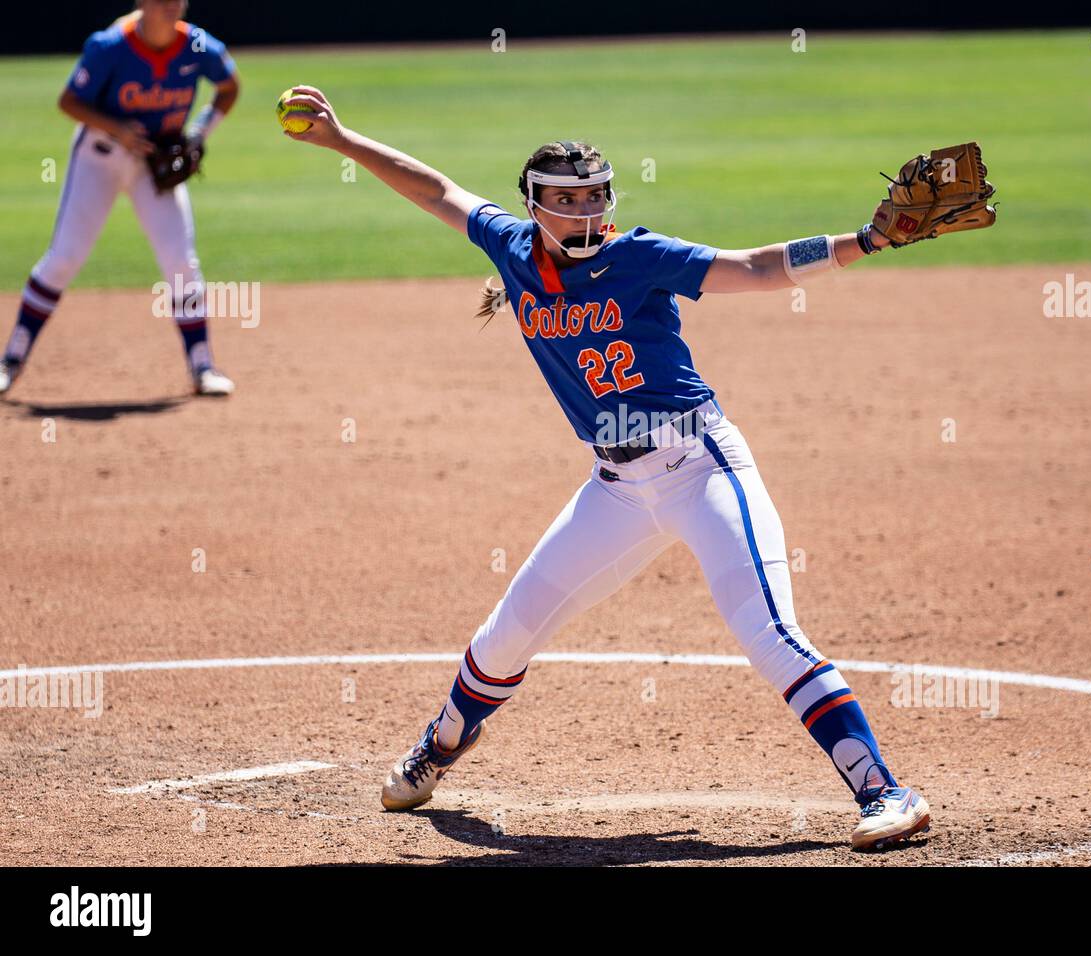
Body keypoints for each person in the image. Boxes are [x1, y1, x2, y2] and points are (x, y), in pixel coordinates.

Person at [281, 85, 982, 850]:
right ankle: (441, 746)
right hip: (613, 490)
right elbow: (438, 190)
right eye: (565, 198)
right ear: (534, 205)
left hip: (700, 466)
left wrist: (864, 242)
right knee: (505, 636)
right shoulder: (510, 248)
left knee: (770, 633)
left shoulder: (639, 256)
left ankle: (884, 791)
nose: (584, 211)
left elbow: (754, 267)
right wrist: (343, 140)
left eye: (595, 196)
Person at [0, 0, 239, 398]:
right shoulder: (110, 46)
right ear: (142, 2)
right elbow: (69, 102)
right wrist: (118, 128)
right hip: (101, 157)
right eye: (161, 0)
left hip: (156, 163)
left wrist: (199, 132)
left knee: (180, 259)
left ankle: (203, 366)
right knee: (64, 256)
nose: (170, 7)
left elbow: (229, 87)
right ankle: (10, 360)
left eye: (175, 0)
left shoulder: (198, 46)